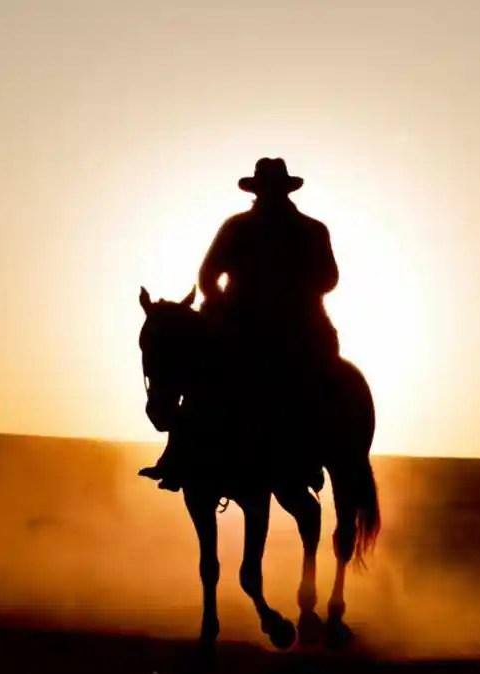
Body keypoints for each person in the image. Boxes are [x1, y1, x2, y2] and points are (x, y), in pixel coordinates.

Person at [141, 158, 341, 490]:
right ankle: (177, 457)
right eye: (266, 189)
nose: (269, 195)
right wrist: (219, 302)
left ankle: (308, 457)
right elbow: (207, 275)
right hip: (244, 322)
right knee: (197, 372)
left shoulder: (310, 230)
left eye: (272, 189)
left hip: (297, 324)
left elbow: (328, 279)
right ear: (260, 191)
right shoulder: (242, 228)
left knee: (312, 380)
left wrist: (286, 294)